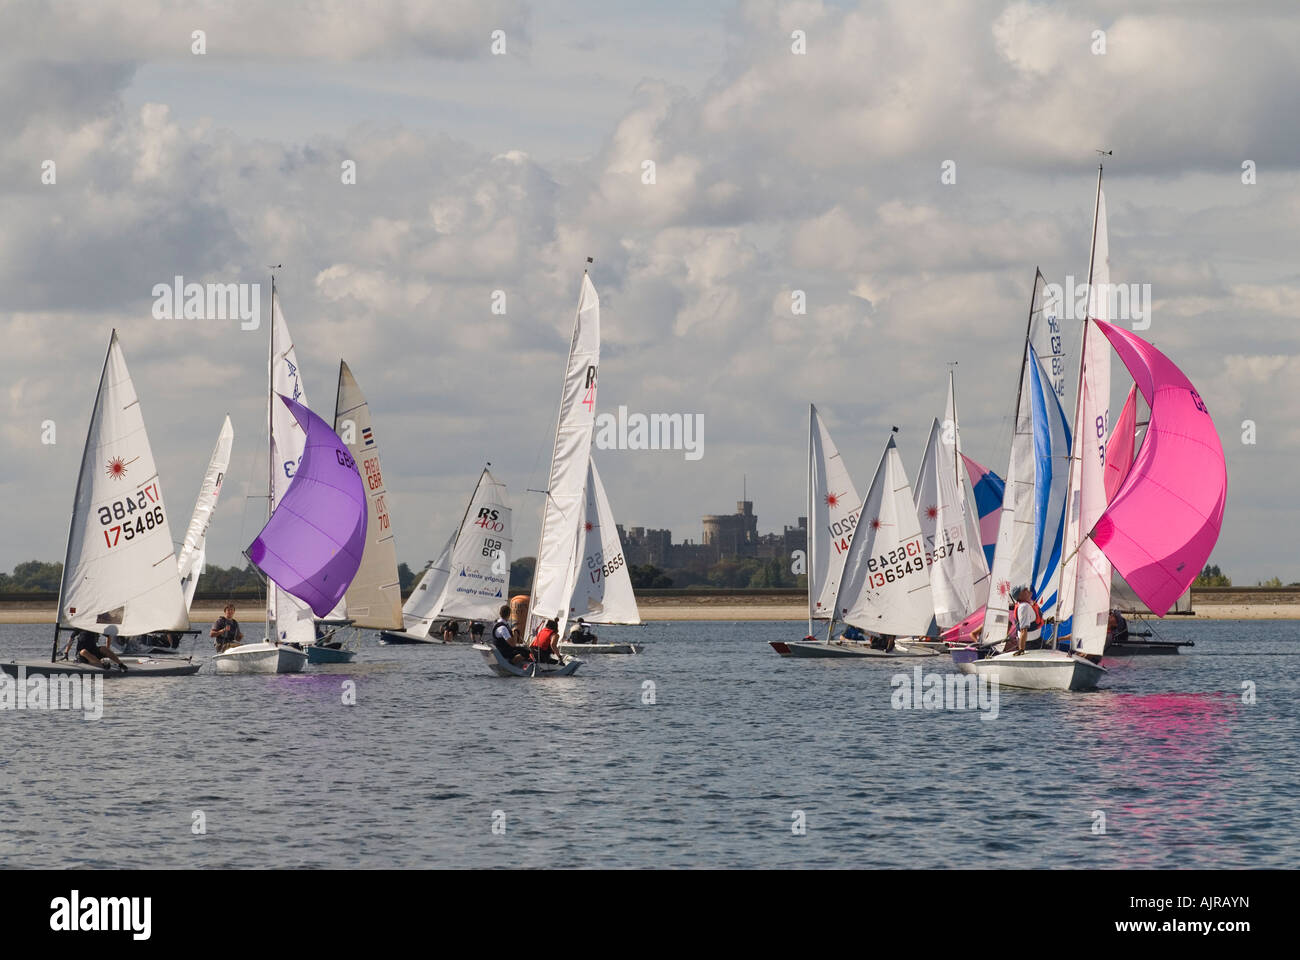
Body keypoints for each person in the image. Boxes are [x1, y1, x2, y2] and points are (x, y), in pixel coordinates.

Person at [63, 625, 127, 670]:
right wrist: (66, 652)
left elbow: (108, 636)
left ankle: (120, 664)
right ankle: (102, 665)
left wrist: (108, 649)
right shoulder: (81, 626)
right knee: (84, 651)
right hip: (82, 654)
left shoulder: (95, 628)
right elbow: (71, 638)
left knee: (104, 648)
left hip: (93, 651)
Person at [1009, 586, 1044, 655]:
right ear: (1020, 596)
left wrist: (1046, 621)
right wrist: (1021, 649)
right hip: (1031, 644)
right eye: (1024, 590)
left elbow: (1032, 620)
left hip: (1036, 641)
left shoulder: (1028, 604)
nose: (1027, 589)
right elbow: (1023, 630)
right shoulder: (1024, 607)